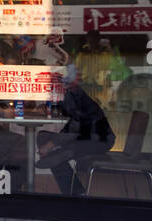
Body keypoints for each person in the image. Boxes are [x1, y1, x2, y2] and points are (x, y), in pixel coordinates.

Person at [35, 63, 114, 196]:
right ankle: (62, 157)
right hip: (83, 136)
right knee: (43, 136)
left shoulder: (76, 95)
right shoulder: (69, 93)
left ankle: (63, 154)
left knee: (63, 147)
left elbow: (76, 125)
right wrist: (45, 105)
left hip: (99, 139)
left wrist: (51, 144)